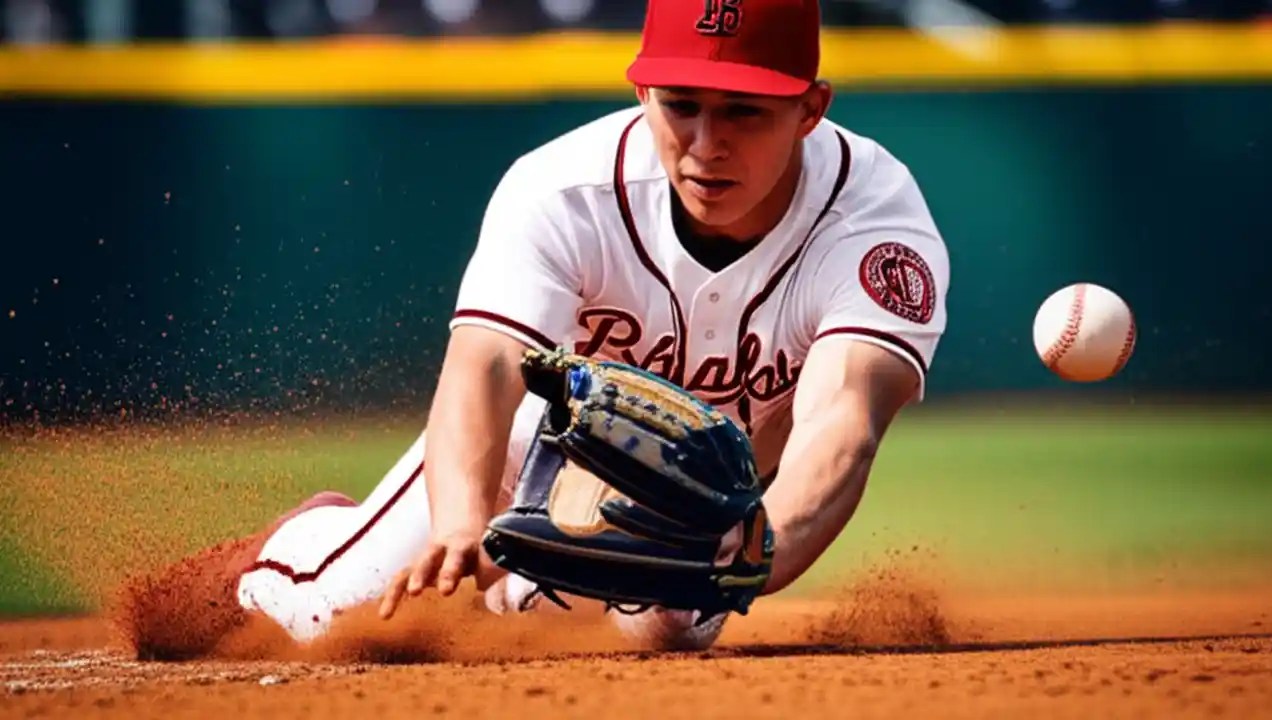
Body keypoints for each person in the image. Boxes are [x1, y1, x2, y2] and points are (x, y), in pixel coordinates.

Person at [232, 0, 950, 651]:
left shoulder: (872, 225)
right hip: (533, 443)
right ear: (641, 93)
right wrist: (459, 520)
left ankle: (525, 592)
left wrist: (754, 555)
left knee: (660, 629)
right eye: (681, 105)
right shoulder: (564, 191)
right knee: (326, 614)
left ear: (810, 108)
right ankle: (305, 540)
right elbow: (484, 367)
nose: (706, 142)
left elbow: (841, 428)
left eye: (743, 111)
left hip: (700, 504)